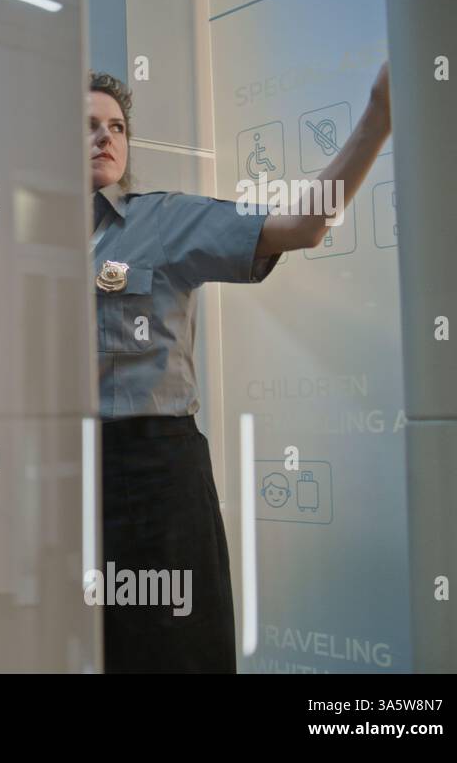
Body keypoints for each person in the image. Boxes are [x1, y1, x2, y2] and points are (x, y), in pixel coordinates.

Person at [88, 64, 391, 672]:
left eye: (117, 126)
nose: (107, 138)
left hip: (157, 473)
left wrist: (377, 119)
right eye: (89, 125)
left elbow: (304, 224)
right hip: (69, 476)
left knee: (177, 650)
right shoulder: (28, 241)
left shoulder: (163, 220)